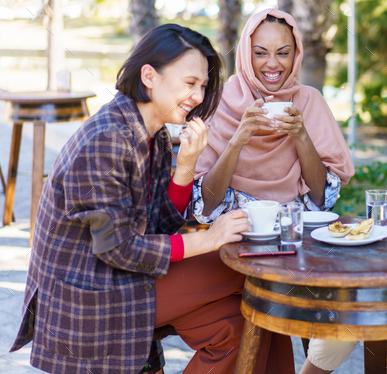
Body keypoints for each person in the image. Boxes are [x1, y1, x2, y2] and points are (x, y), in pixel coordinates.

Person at [10, 24, 292, 374]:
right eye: (190, 84)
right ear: (149, 76)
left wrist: (186, 166)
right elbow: (119, 248)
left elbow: (161, 225)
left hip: (128, 275)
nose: (199, 97)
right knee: (252, 273)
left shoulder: (153, 132)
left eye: (203, 86)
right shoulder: (107, 140)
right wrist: (209, 238)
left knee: (248, 321)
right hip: (91, 293)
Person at [193, 8, 353, 224]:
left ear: (296, 54)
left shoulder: (310, 101)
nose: (272, 64)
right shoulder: (219, 101)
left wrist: (301, 136)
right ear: (246, 54)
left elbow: (321, 200)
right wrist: (237, 141)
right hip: (235, 237)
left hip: (295, 237)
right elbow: (206, 205)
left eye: (283, 53)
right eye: (260, 53)